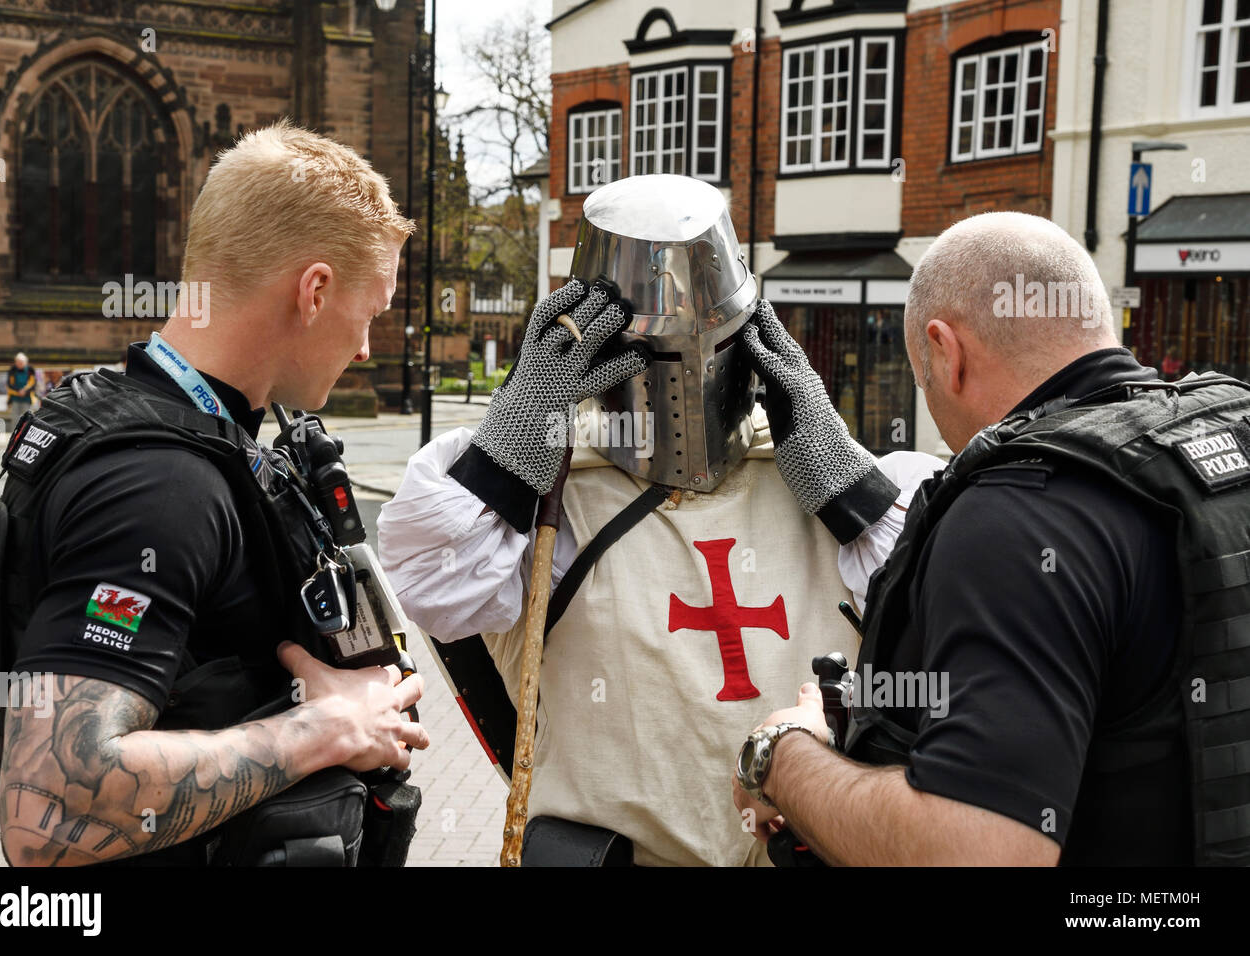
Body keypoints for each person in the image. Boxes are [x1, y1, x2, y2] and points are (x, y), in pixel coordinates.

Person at [378, 174, 941, 866]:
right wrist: (520, 431)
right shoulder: (546, 499)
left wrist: (850, 488)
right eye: (650, 355)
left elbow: (943, 622)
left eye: (710, 343)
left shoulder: (822, 488)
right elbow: (433, 588)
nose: (684, 376)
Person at [0, 120, 430, 866]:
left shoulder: (184, 432)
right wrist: (325, 732)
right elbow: (47, 812)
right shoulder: (158, 484)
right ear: (314, 291)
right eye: (371, 313)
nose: (366, 348)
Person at [732, 211, 1250, 866]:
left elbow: (981, 852)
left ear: (946, 352)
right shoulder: (1228, 437)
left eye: (922, 380)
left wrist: (783, 756)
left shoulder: (1015, 515)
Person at [6, 352, 36, 430]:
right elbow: (9, 384)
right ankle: (14, 435)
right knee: (15, 418)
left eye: (21, 363)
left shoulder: (30, 370)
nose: (19, 364)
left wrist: (25, 391)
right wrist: (18, 391)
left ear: (25, 363)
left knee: (27, 418)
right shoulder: (12, 370)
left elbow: (33, 384)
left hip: (27, 397)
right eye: (18, 362)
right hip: (15, 398)